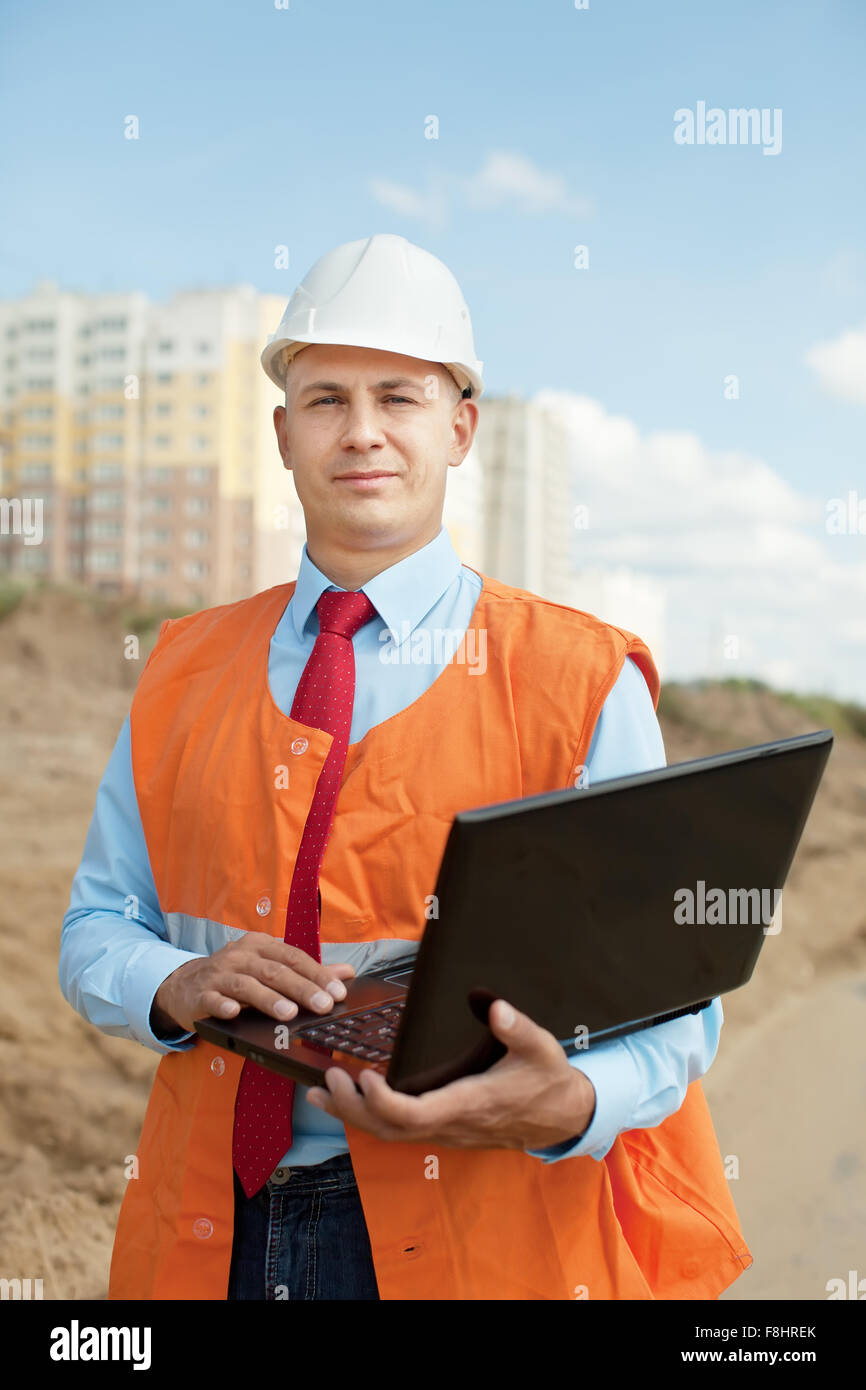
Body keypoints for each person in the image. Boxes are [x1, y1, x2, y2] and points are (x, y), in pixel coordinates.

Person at [59, 232, 752, 1301]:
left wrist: (563, 1102)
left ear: (461, 428)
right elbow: (99, 923)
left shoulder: (577, 678)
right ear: (284, 434)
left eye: (400, 397)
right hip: (208, 1228)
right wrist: (176, 979)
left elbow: (670, 1005)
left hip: (476, 1234)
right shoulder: (181, 668)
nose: (363, 433)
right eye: (327, 400)